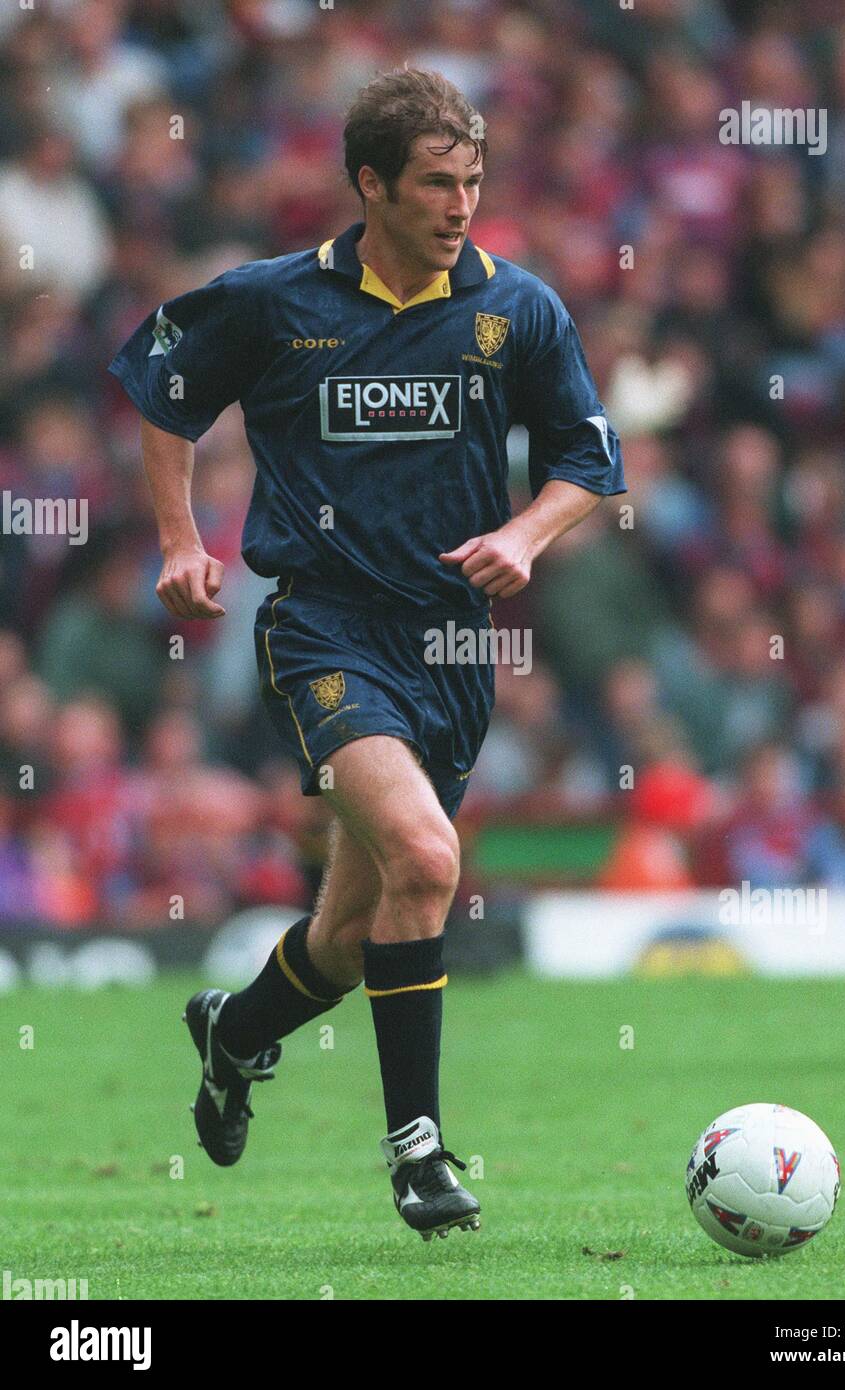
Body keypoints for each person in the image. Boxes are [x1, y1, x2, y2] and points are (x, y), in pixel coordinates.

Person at [108, 68, 624, 1241]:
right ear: (371, 184)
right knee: (429, 861)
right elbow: (164, 385)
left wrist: (524, 533)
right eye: (436, 183)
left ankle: (233, 1034)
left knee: (352, 936)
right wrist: (184, 543)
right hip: (323, 630)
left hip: (450, 645)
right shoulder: (275, 299)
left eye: (473, 181)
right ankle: (418, 1153)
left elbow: (590, 460)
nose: (459, 204)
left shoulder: (517, 309)